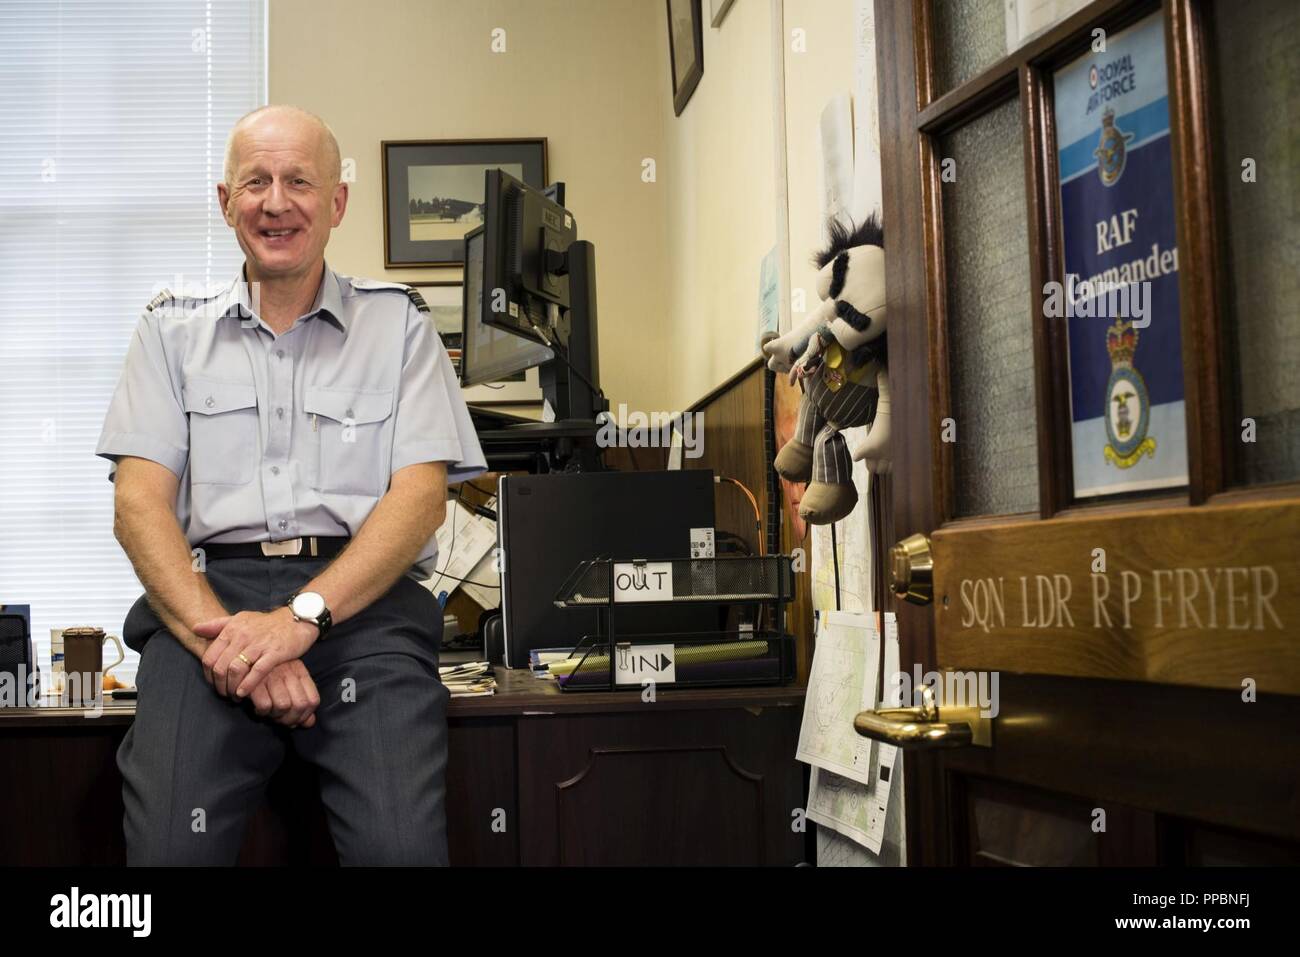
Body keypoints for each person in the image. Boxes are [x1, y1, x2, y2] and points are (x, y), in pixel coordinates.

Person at [95, 104, 486, 865]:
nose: (277, 202)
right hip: (208, 613)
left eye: (299, 181)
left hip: (362, 613)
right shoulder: (168, 332)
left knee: (400, 849)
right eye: (256, 182)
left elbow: (419, 499)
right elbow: (137, 505)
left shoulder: (400, 325)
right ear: (225, 201)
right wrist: (235, 645)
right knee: (170, 849)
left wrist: (301, 618)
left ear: (336, 201)